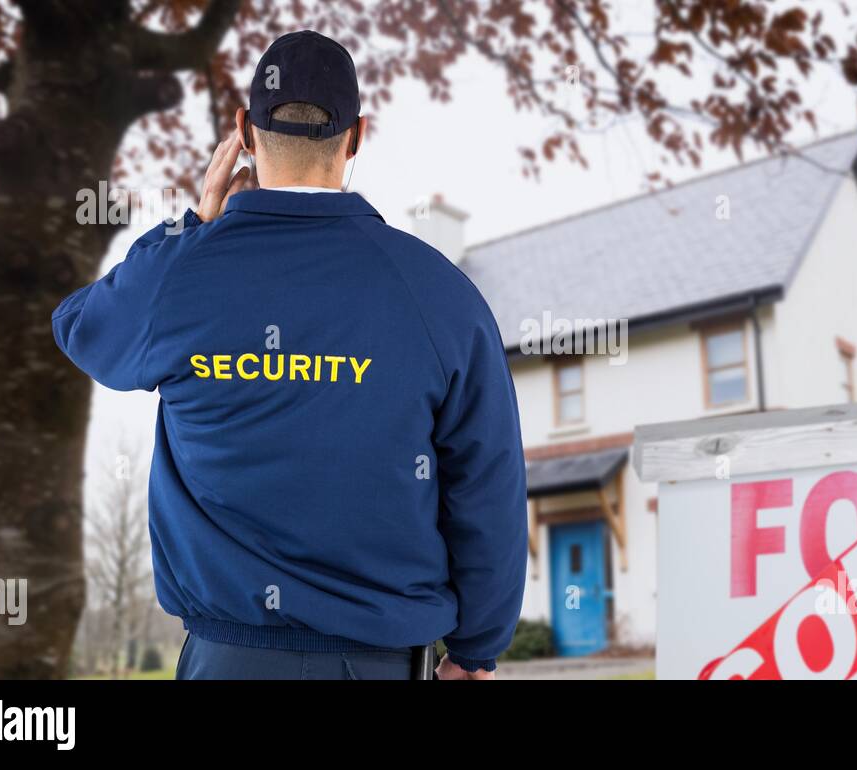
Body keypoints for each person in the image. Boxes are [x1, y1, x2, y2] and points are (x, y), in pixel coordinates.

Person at [51, 30, 528, 680]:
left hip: (225, 664)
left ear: (245, 132)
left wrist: (189, 224)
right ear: (356, 136)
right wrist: (476, 651)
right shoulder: (440, 296)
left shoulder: (182, 276)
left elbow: (81, 327)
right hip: (380, 664)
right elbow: (488, 486)